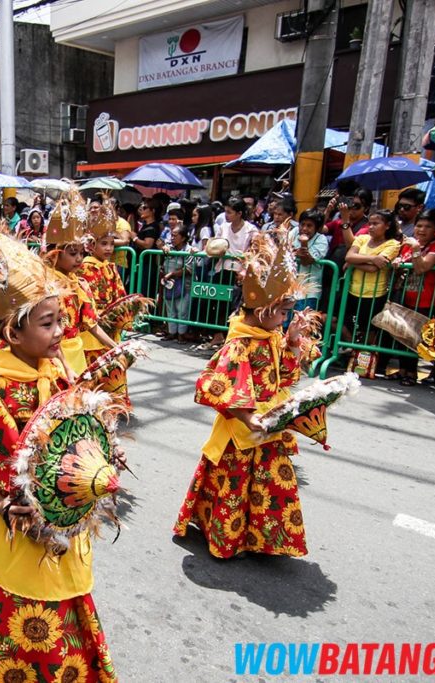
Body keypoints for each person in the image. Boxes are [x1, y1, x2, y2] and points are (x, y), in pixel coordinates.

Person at [0, 220, 119, 682]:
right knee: (27, 593)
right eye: (48, 322)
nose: (61, 331)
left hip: (62, 519)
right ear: (13, 335)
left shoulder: (58, 377)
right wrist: (4, 507)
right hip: (16, 528)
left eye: (61, 319)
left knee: (62, 582)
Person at [174, 233, 322, 558]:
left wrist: (294, 342)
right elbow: (219, 387)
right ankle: (225, 539)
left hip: (270, 425)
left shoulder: (271, 334)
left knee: (268, 487)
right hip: (243, 429)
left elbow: (285, 375)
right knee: (233, 485)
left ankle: (263, 539)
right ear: (263, 308)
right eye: (283, 313)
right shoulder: (239, 343)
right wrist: (248, 417)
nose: (285, 319)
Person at [44, 191, 117, 376]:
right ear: (55, 254)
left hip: (76, 353)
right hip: (50, 356)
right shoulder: (45, 285)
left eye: (81, 253)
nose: (79, 259)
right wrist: (65, 366)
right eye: (72, 253)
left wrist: (115, 347)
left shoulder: (81, 284)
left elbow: (91, 325)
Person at [81, 196, 132, 404]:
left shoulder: (111, 267)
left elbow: (120, 294)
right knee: (94, 366)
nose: (109, 248)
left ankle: (114, 400)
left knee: (112, 362)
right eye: (104, 244)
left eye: (111, 244)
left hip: (110, 324)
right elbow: (87, 297)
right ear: (92, 246)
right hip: (93, 322)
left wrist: (123, 313)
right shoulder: (85, 267)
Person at [391, 209, 435, 386]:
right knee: (403, 334)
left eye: (427, 227)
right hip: (406, 296)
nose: (422, 230)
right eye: (419, 225)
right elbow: (402, 261)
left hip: (427, 299)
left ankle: (412, 373)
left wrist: (416, 249)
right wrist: (398, 262)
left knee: (417, 337)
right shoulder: (408, 244)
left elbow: (422, 267)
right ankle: (403, 370)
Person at [343, 208, 402, 349]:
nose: (371, 227)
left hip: (374, 294)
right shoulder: (362, 238)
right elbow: (349, 256)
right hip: (352, 290)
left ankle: (363, 360)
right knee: (339, 321)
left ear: (387, 225)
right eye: (369, 223)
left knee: (369, 330)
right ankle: (352, 350)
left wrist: (353, 263)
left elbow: (374, 268)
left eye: (376, 223)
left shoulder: (393, 244)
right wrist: (372, 258)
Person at [206, 199, 258, 349]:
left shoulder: (251, 229)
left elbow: (254, 251)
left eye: (230, 212)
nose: (226, 215)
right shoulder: (223, 227)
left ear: (239, 213)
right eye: (226, 211)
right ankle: (217, 336)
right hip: (222, 270)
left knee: (236, 306)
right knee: (217, 303)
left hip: (241, 273)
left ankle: (233, 338)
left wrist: (244, 267)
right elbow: (216, 245)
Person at [289, 209, 329, 313]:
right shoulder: (294, 232)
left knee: (303, 323)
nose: (304, 228)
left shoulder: (321, 240)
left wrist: (304, 244)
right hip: (290, 289)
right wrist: (294, 252)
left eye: (309, 226)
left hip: (309, 292)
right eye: (302, 224)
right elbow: (284, 249)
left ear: (317, 228)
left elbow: (307, 261)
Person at [161, 225, 193, 343]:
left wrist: (172, 274)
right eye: (171, 235)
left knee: (182, 310)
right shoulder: (169, 248)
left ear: (183, 238)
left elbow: (189, 269)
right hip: (169, 284)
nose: (172, 238)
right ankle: (172, 332)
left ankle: (181, 334)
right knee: (170, 309)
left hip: (184, 285)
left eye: (175, 236)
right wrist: (163, 247)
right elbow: (160, 245)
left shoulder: (189, 250)